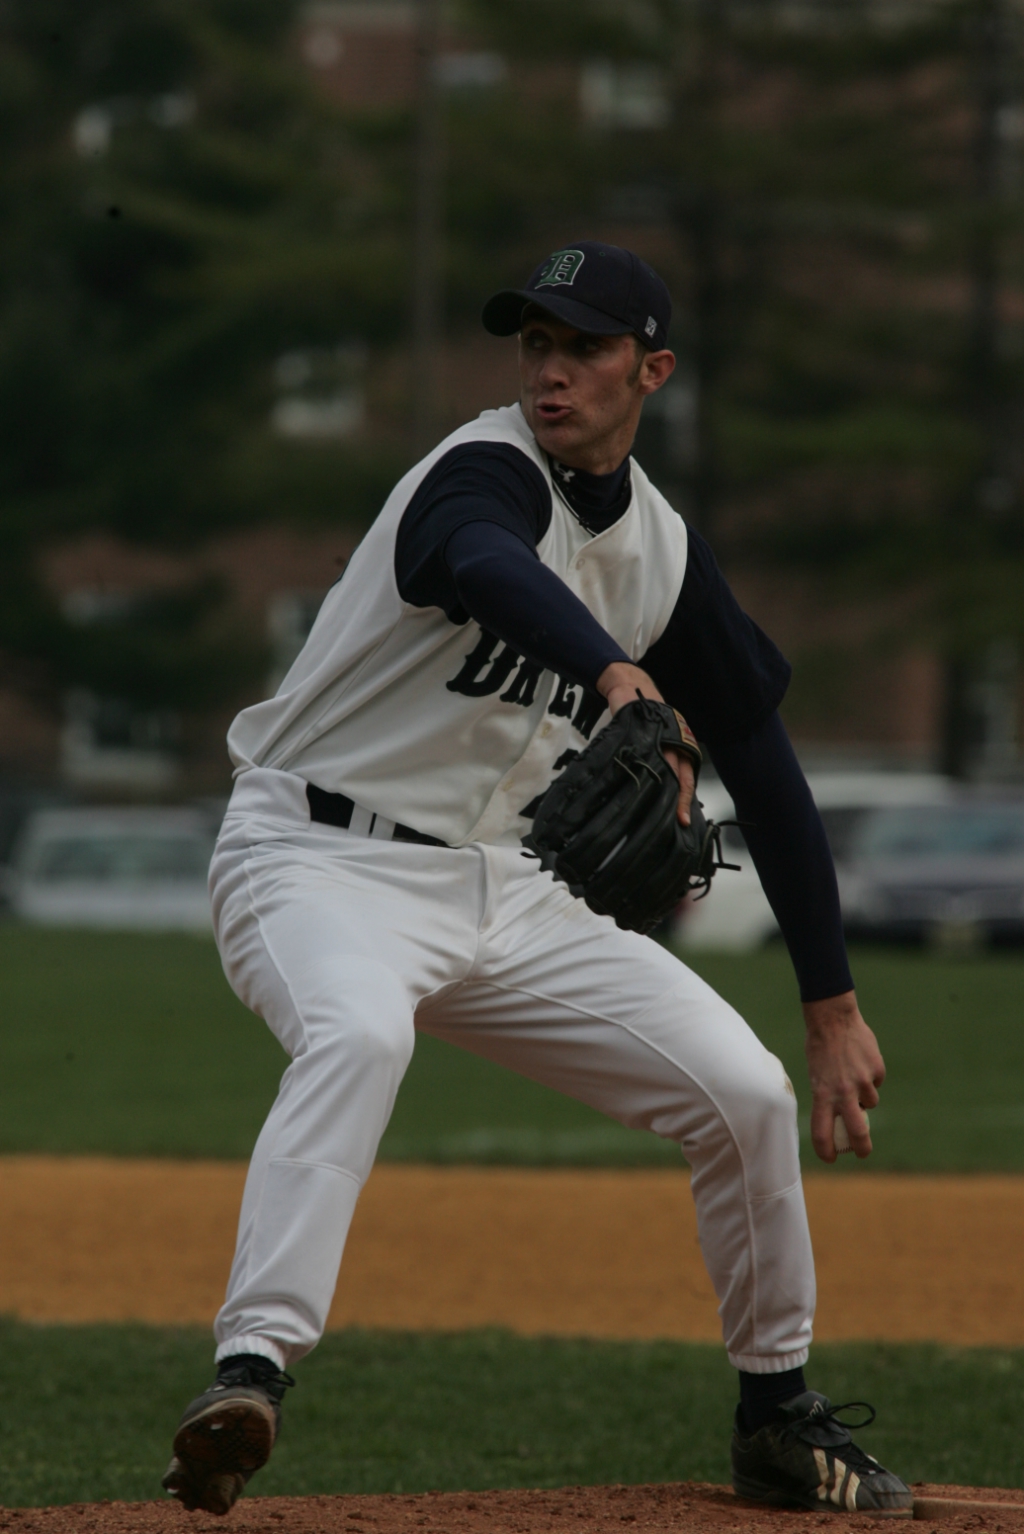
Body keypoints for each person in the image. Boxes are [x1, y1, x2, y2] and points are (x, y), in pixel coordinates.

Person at [162, 241, 911, 1518]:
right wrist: (610, 670)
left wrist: (831, 1002)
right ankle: (252, 1372)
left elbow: (766, 771)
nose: (552, 371)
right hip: (311, 856)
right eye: (536, 345)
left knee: (744, 1094)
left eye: (586, 348)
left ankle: (775, 1412)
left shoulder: (661, 552)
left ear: (651, 370)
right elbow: (482, 564)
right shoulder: (479, 470)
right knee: (355, 1034)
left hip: (500, 888)